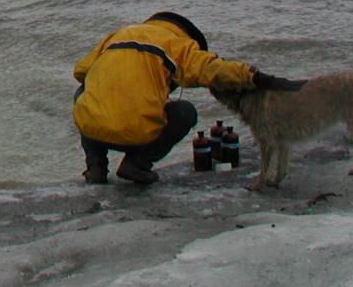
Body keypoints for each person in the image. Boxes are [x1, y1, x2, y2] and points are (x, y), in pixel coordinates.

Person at [71, 11, 301, 185]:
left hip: (95, 130)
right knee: (185, 112)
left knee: (84, 93)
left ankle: (96, 167)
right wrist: (257, 78)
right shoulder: (178, 44)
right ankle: (136, 164)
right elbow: (214, 69)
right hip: (138, 135)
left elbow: (81, 71)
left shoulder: (118, 35)